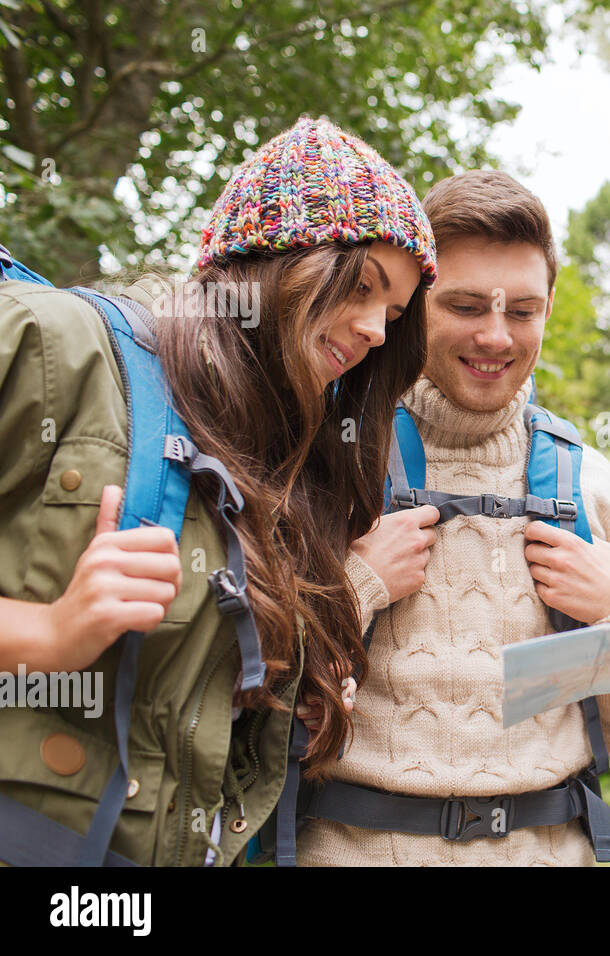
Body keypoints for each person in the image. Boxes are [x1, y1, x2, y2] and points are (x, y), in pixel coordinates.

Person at [0, 116, 437, 866]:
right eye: (360, 284)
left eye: (392, 314)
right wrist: (43, 636)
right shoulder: (51, 342)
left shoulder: (271, 470)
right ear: (267, 260)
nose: (372, 329)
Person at [295, 170, 610, 866]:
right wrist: (360, 585)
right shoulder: (327, 459)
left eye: (522, 311)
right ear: (412, 304)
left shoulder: (589, 484)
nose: (496, 336)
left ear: (549, 307)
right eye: (464, 306)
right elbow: (257, 703)